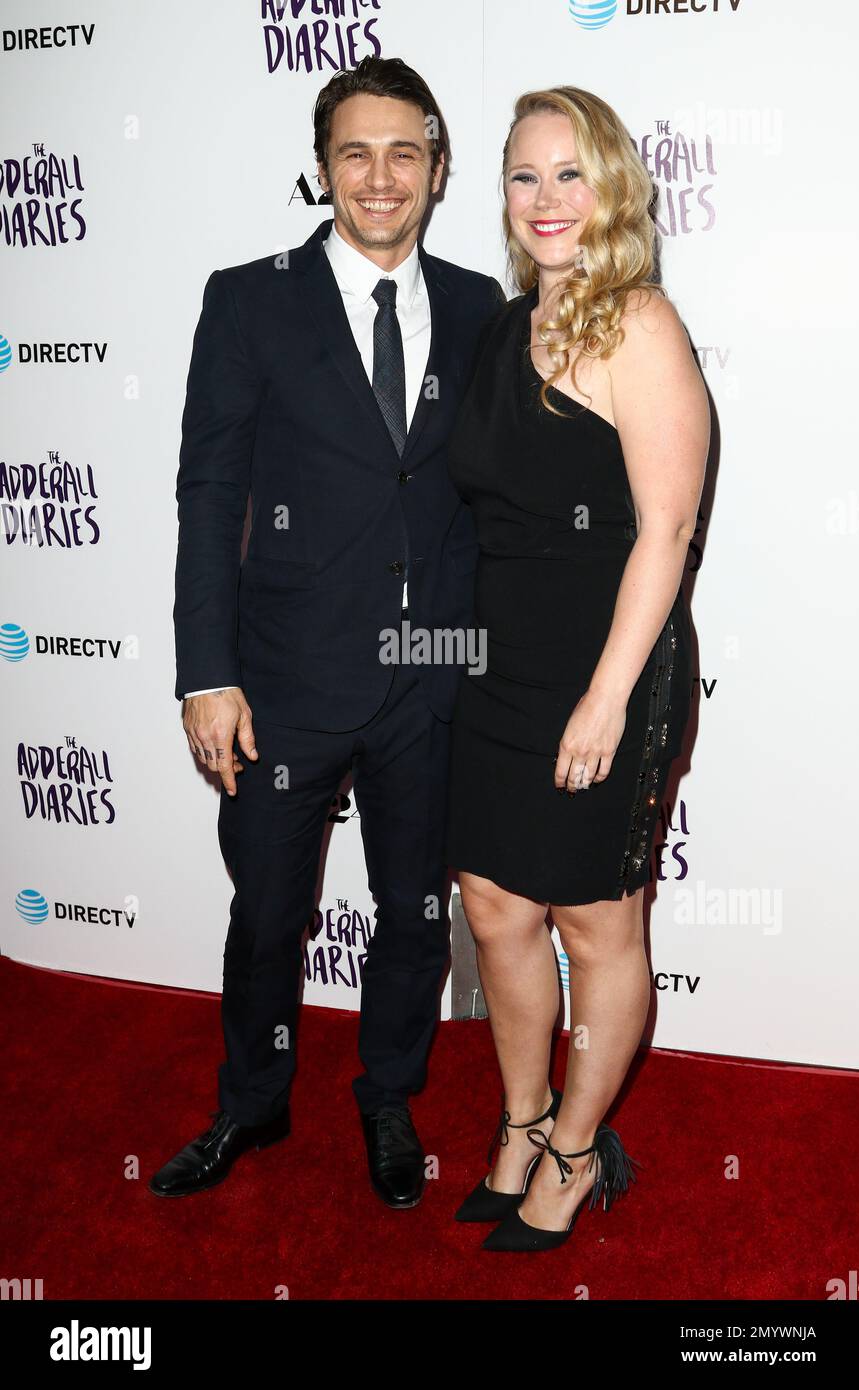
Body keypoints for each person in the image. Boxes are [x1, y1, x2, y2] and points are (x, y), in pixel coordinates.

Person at [150, 56, 504, 1209]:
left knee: (410, 910)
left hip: (428, 674)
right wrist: (205, 673)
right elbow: (209, 491)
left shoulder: (477, 306)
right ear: (320, 169)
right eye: (354, 152)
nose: (379, 175)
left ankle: (387, 1094)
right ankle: (251, 1100)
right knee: (266, 912)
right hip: (284, 675)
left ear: (438, 168)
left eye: (405, 150)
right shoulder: (248, 299)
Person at [445, 86, 710, 1250]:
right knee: (495, 904)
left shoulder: (637, 324)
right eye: (521, 175)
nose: (543, 200)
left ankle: (574, 1148)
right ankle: (519, 1117)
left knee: (596, 924)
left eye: (567, 173)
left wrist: (606, 698)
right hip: (499, 664)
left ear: (609, 188)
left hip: (608, 665)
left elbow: (664, 532)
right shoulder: (503, 330)